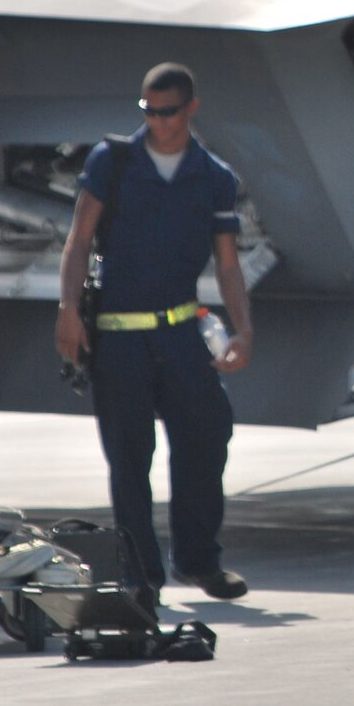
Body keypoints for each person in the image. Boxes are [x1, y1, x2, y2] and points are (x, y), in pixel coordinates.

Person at [55, 63, 254, 601]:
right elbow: (79, 239)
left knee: (207, 437)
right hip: (118, 336)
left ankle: (198, 560)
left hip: (179, 332)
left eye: (167, 112)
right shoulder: (114, 162)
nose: (156, 122)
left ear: (190, 108)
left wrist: (242, 328)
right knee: (129, 457)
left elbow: (228, 264)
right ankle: (140, 575)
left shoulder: (214, 177)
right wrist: (68, 308)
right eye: (148, 110)